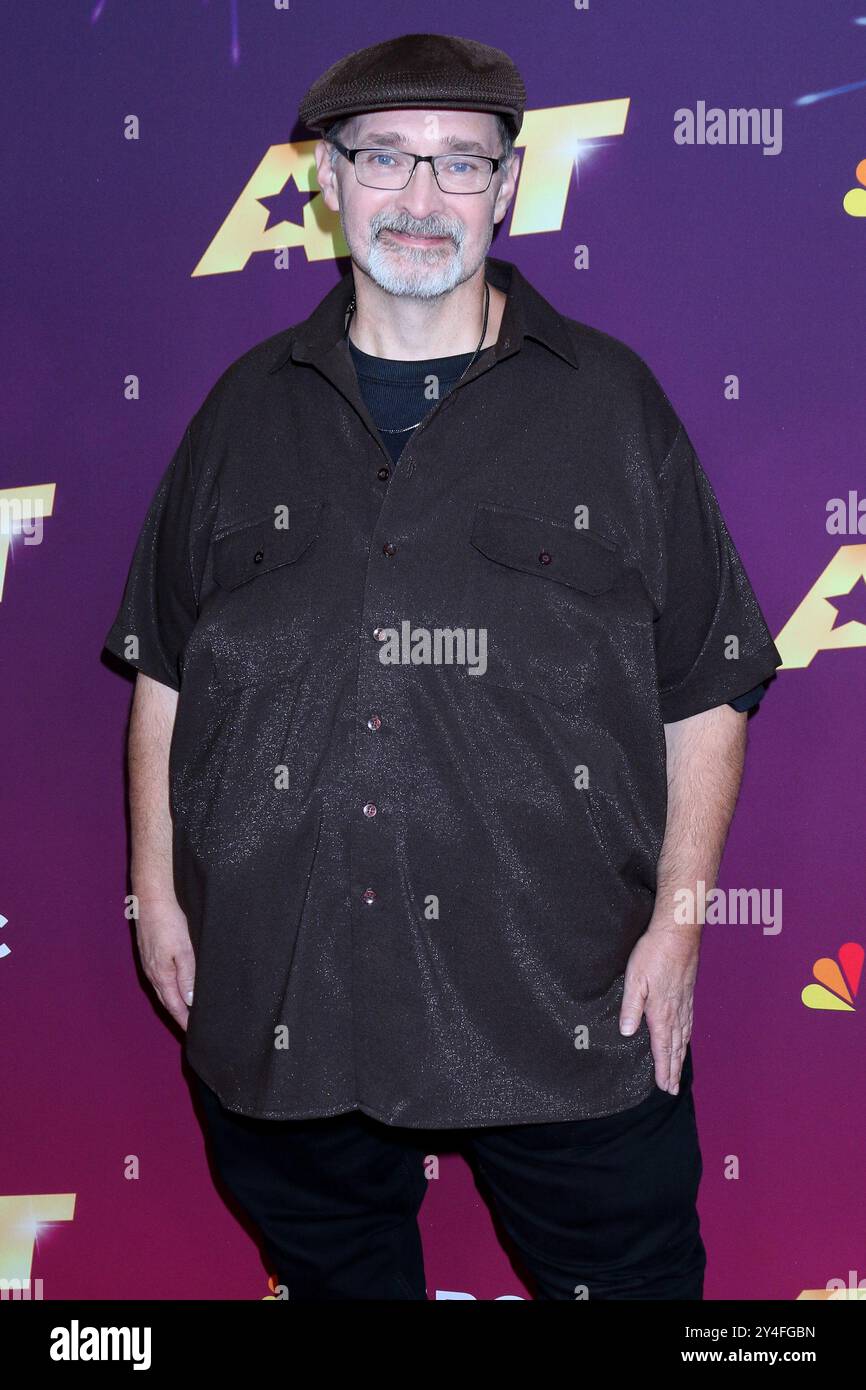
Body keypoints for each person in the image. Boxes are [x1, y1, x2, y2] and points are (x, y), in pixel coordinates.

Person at [103, 32, 782, 1300]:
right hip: (283, 996)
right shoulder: (239, 414)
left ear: (508, 188)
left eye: (457, 165)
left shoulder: (612, 408)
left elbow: (707, 680)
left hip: (561, 1003)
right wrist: (156, 889)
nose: (419, 199)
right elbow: (168, 669)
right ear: (327, 181)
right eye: (383, 159)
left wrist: (679, 925)